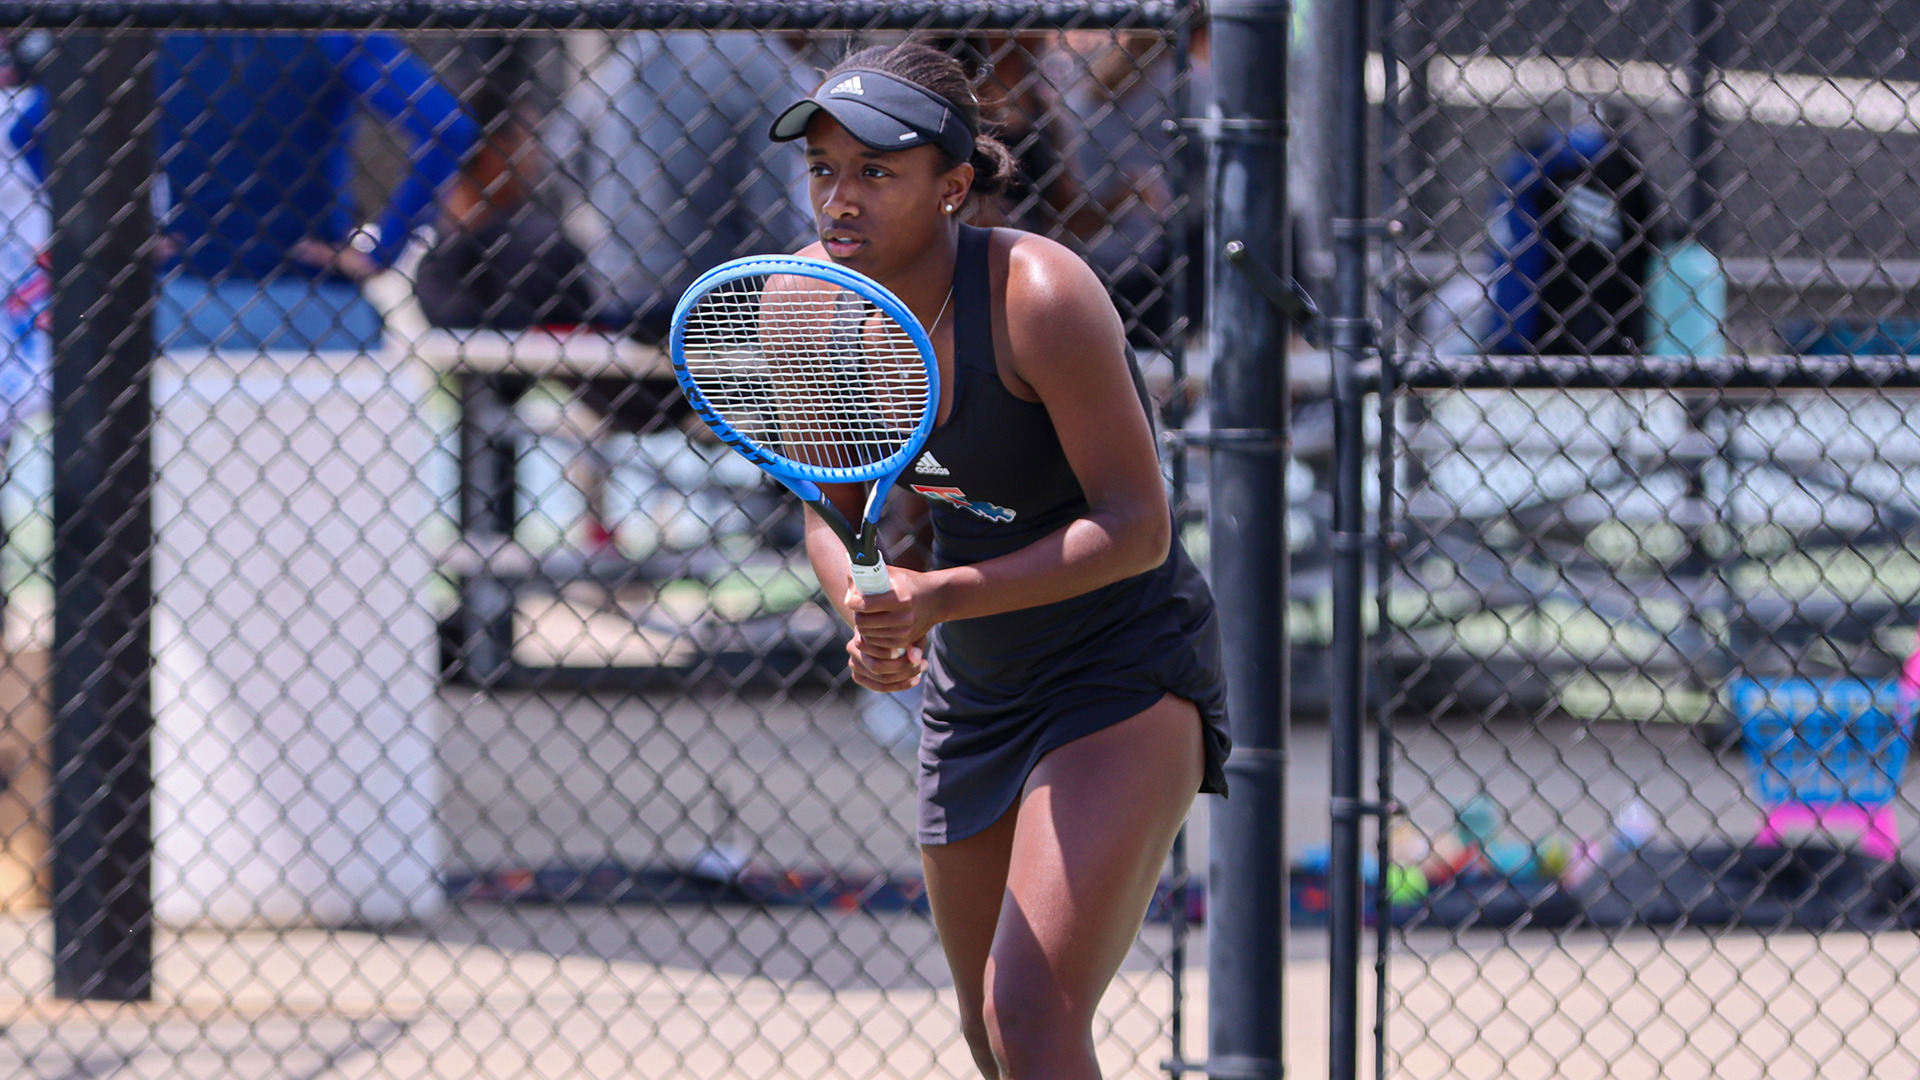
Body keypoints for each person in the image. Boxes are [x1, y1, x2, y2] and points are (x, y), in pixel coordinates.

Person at [766, 43, 1229, 1078]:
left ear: (956, 186)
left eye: (876, 172)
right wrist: (868, 613)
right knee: (989, 1030)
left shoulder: (1039, 294)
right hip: (977, 687)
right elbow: (833, 517)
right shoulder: (803, 306)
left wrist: (939, 597)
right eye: (824, 170)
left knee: (1030, 1012)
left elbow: (1136, 526)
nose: (840, 198)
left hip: (1121, 671)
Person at [150, 33, 479, 351]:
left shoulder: (160, 29)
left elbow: (106, 120)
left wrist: (134, 235)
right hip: (309, 307)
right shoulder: (331, 28)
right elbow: (447, 128)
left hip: (182, 304)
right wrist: (383, 252)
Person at [559, 31, 814, 342]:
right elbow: (772, 215)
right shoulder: (759, 57)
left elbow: (562, 150)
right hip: (714, 300)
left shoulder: (646, 39)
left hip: (615, 291)